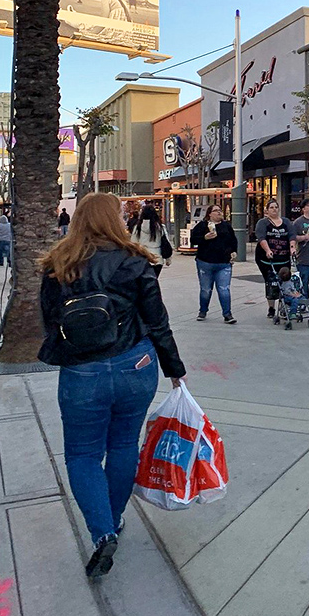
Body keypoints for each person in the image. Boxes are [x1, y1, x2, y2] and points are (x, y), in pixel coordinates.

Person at [38, 192, 187, 579]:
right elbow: (157, 322)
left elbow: (50, 320)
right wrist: (174, 367)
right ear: (115, 220)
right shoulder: (135, 262)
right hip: (134, 365)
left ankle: (102, 532)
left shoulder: (58, 264)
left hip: (82, 373)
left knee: (83, 455)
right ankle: (115, 517)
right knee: (123, 445)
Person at [190, 204, 238, 323]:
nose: (219, 213)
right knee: (206, 289)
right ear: (209, 214)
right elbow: (193, 239)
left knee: (224, 289)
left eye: (220, 210)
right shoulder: (202, 225)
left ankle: (227, 314)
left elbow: (233, 240)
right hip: (205, 262)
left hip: (224, 263)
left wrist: (234, 252)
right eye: (216, 211)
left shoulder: (226, 226)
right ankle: (203, 310)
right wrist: (204, 238)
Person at [255, 199, 296, 318]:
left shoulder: (286, 222)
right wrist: (268, 250)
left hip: (283, 258)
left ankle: (284, 305)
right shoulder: (263, 223)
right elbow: (261, 237)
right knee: (271, 282)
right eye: (271, 207)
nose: (274, 209)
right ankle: (271, 307)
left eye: (276, 207)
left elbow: (292, 235)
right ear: (267, 210)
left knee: (285, 281)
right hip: (267, 260)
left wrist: (292, 248)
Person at [131, 205, 171, 278]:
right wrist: (168, 259)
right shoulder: (160, 227)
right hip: (157, 258)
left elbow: (133, 244)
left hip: (143, 258)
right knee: (154, 280)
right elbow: (165, 243)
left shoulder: (138, 228)